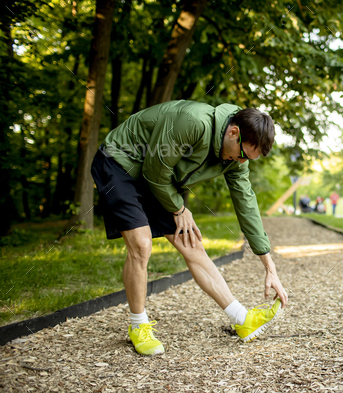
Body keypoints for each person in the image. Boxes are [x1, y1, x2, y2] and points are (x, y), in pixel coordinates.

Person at [90, 100, 288, 355]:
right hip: (120, 161)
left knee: (191, 243)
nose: (241, 162)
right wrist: (179, 209)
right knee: (141, 244)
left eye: (247, 159)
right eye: (242, 155)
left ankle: (243, 319)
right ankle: (138, 326)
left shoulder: (235, 158)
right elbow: (155, 170)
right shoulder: (192, 122)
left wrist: (269, 266)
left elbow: (246, 203)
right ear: (234, 132)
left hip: (156, 176)